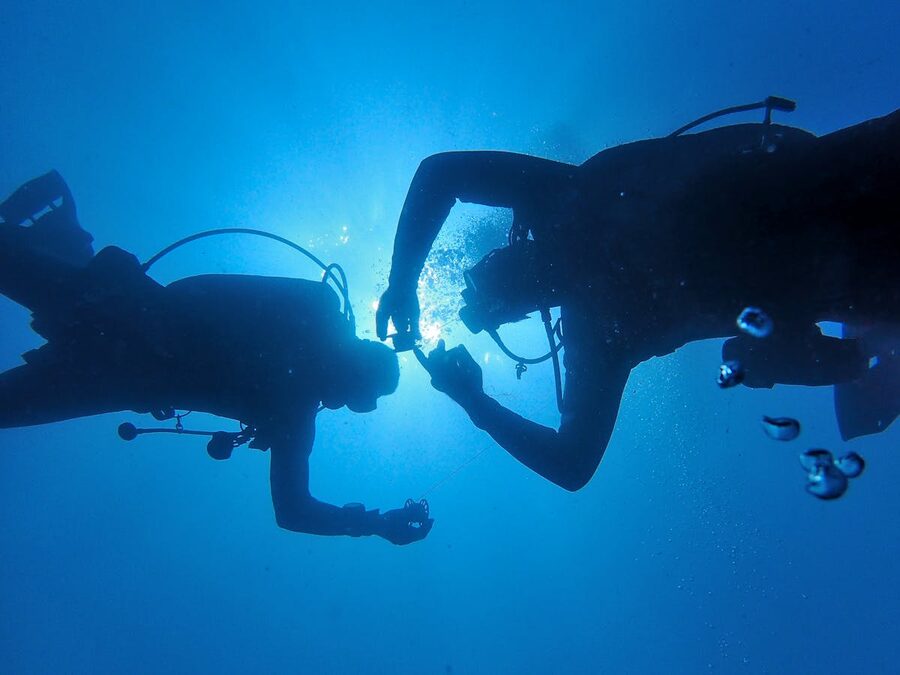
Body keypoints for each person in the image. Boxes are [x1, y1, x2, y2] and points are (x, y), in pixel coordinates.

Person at [376, 102, 900, 491]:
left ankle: (858, 358)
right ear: (520, 312)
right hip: (853, 238)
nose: (505, 279)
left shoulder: (573, 218)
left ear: (513, 244)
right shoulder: (596, 322)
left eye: (493, 271)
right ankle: (859, 358)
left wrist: (405, 287)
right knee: (743, 354)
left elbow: (441, 173)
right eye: (499, 293)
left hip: (847, 203)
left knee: (747, 352)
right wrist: (474, 400)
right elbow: (573, 466)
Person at [0, 171, 433, 544]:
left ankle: (61, 243)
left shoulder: (293, 415)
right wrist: (155, 317)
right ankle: (61, 241)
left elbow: (292, 511)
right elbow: (212, 288)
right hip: (118, 313)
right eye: (360, 394)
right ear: (355, 362)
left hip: (118, 374)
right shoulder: (314, 312)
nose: (347, 406)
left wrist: (372, 524)